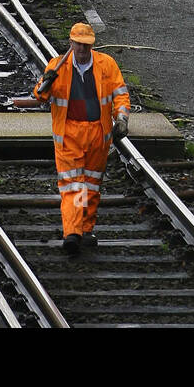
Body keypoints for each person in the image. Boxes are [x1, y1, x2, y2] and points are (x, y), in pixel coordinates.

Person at [33, 22, 130, 254]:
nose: (83, 49)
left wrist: (122, 119)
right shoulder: (58, 66)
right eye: (78, 44)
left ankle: (86, 230)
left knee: (91, 185)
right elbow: (40, 96)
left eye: (86, 45)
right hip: (69, 135)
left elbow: (120, 94)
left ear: (91, 45)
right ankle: (72, 232)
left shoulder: (106, 65)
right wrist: (47, 80)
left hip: (98, 134)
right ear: (71, 43)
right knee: (73, 186)